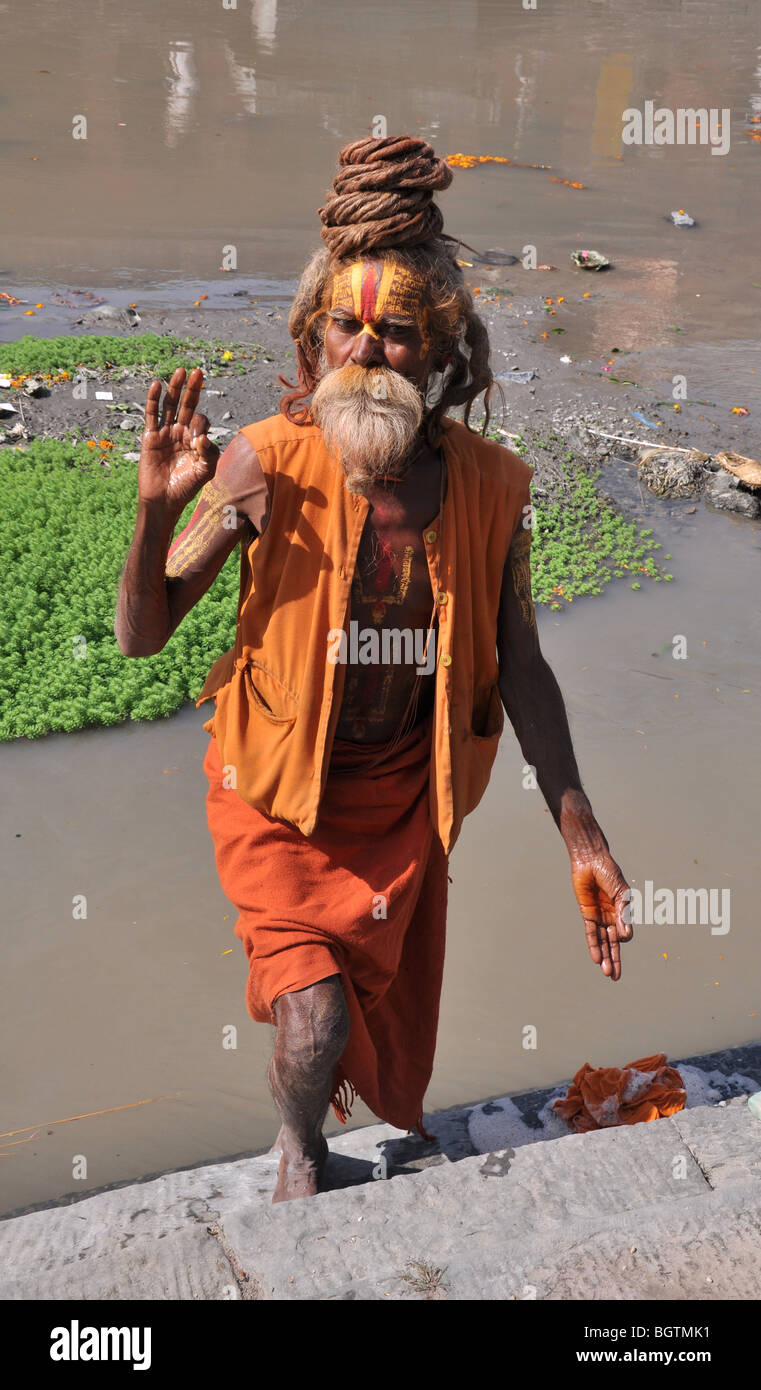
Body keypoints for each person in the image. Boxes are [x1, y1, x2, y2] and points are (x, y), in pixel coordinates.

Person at [114, 134, 632, 1204]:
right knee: (316, 1011)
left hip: (402, 798)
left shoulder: (491, 487)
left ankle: (330, 1138)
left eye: (393, 332)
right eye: (342, 325)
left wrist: (580, 832)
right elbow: (144, 632)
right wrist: (154, 512)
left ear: (439, 347)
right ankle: (299, 1158)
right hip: (272, 794)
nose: (364, 350)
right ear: (311, 338)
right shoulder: (265, 459)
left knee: (372, 1010)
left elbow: (521, 667)